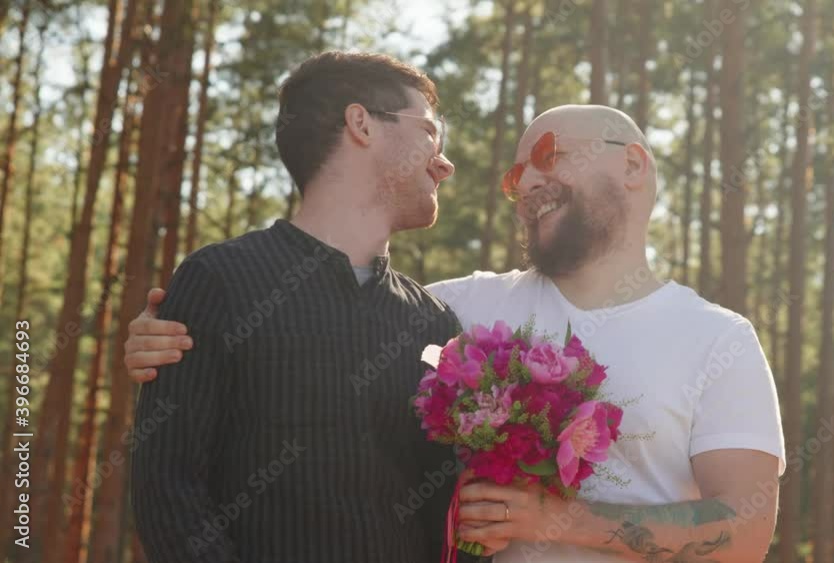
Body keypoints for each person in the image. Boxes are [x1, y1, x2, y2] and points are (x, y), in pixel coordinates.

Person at [127, 102, 786, 561]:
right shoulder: (451, 313)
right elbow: (305, 335)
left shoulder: (718, 339)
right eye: (515, 174)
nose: (527, 182)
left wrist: (566, 522)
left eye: (548, 156)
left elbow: (747, 531)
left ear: (633, 166)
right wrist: (175, 335)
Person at [127, 51, 503, 563]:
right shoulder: (219, 281)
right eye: (430, 132)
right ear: (361, 123)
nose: (445, 162)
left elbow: (444, 516)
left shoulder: (433, 323)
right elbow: (167, 488)